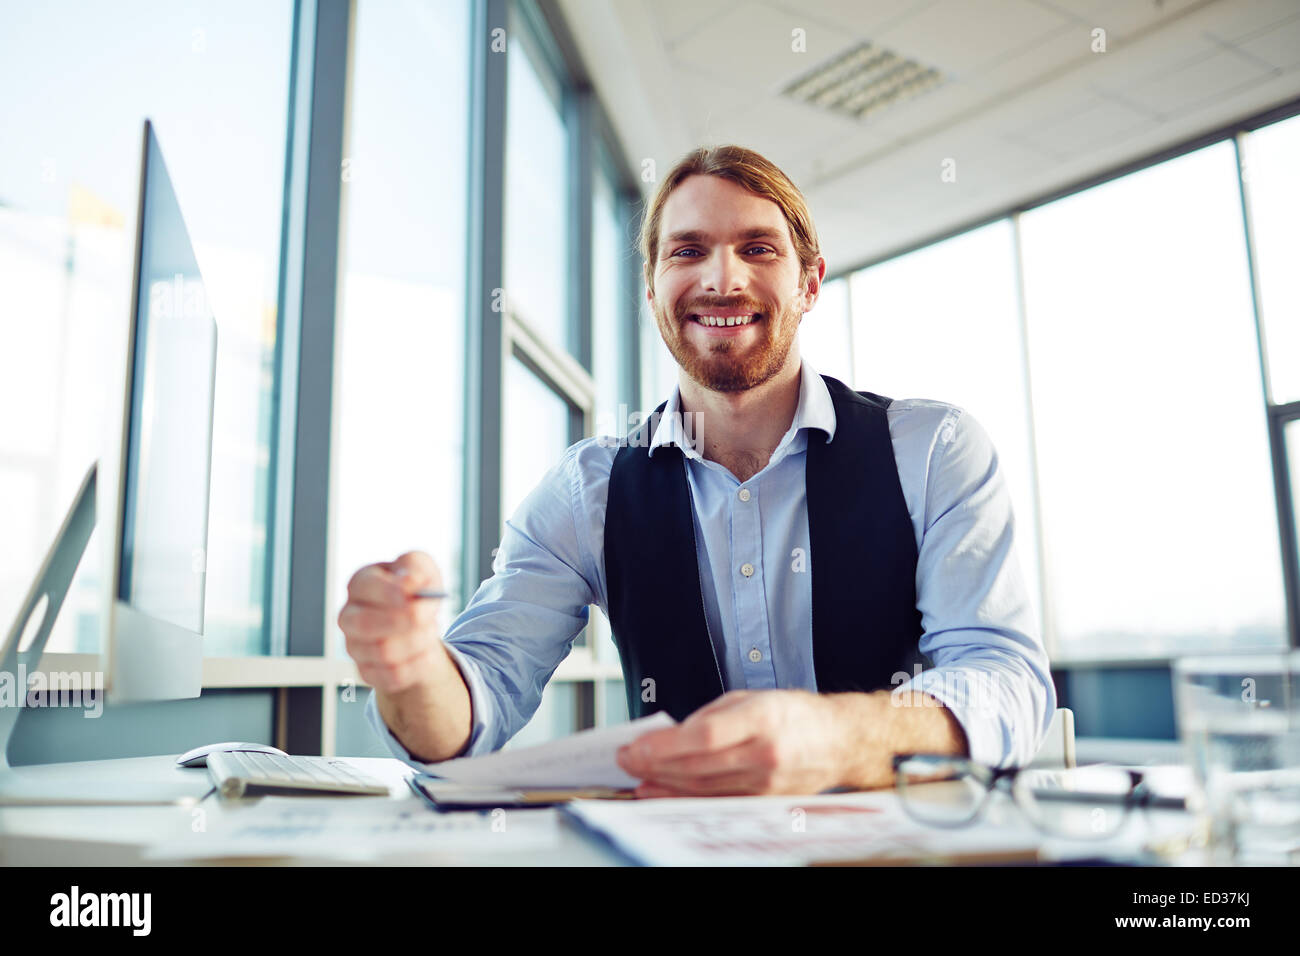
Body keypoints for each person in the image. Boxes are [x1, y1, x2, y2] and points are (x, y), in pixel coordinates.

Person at [339, 145, 1055, 798]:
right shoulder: (587, 491)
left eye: (757, 248)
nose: (722, 278)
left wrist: (834, 740)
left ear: (809, 283)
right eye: (687, 251)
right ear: (652, 290)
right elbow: (472, 707)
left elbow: (1007, 682)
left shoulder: (933, 450)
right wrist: (412, 670)